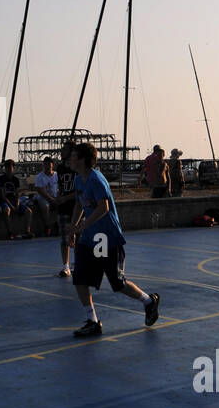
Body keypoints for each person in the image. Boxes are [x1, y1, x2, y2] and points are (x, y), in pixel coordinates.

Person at [66, 142, 161, 338]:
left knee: (117, 283)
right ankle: (92, 321)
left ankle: (149, 301)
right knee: (80, 278)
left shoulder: (96, 180)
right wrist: (74, 229)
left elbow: (104, 208)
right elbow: (79, 204)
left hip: (105, 238)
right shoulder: (78, 180)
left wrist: (82, 226)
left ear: (83, 159)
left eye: (73, 156)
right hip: (89, 238)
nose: (70, 159)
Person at [55, 142, 78, 278]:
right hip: (63, 207)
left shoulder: (76, 169)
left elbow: (80, 191)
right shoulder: (60, 168)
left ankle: (77, 263)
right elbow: (60, 185)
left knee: (77, 238)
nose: (61, 151)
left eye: (64, 149)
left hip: (75, 206)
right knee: (64, 238)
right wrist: (59, 196)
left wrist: (66, 198)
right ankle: (66, 266)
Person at [0, 159, 33, 239]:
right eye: (7, 168)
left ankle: (27, 231)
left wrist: (17, 204)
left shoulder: (16, 179)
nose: (8, 169)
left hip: (14, 201)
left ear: (13, 168)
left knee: (28, 211)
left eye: (10, 167)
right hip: (4, 201)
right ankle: (10, 232)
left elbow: (17, 194)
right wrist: (12, 206)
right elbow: (2, 195)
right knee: (6, 210)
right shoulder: (1, 179)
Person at [32, 157, 59, 236]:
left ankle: (58, 224)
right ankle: (48, 226)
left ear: (52, 165)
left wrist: (57, 198)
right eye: (45, 165)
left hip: (55, 196)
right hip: (43, 197)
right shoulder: (39, 176)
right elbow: (39, 190)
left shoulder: (56, 175)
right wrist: (50, 199)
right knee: (45, 206)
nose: (47, 167)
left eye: (49, 166)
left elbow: (60, 187)